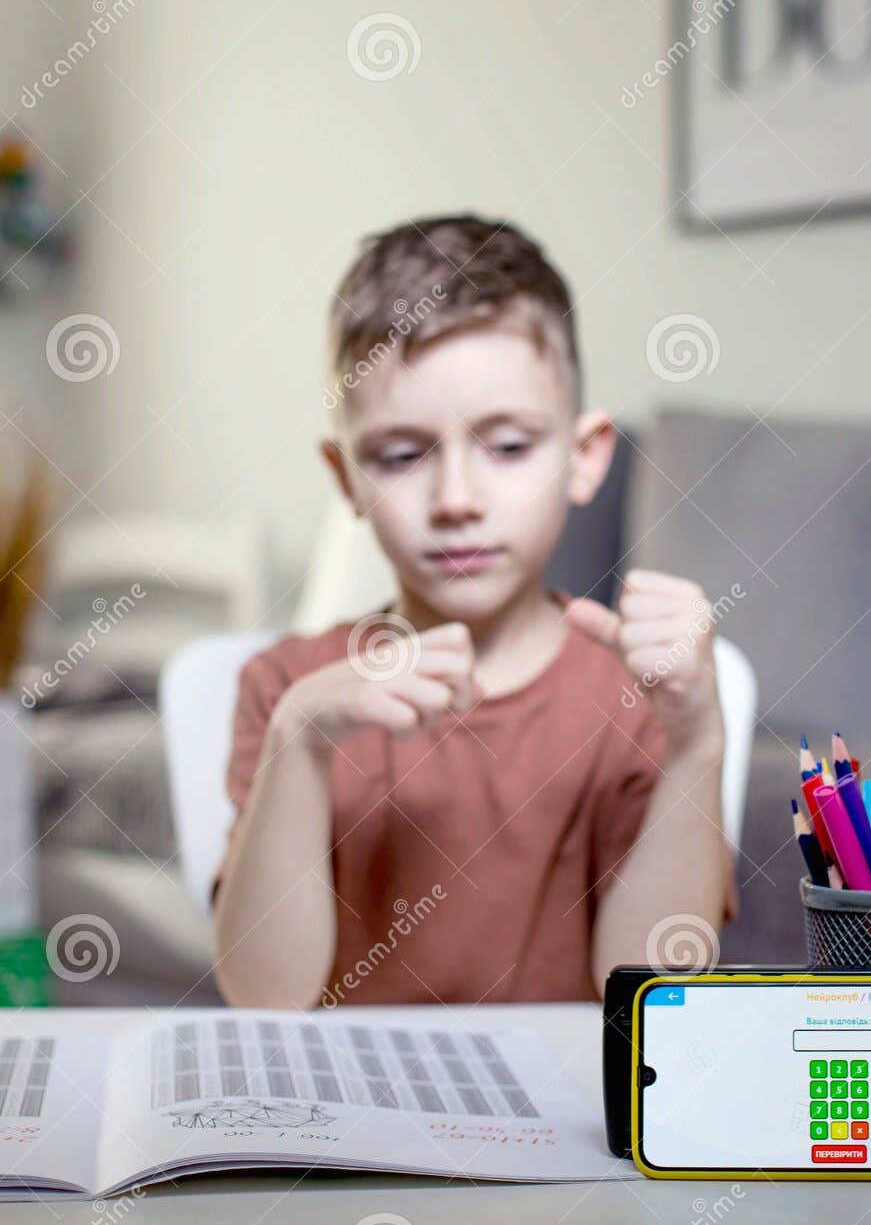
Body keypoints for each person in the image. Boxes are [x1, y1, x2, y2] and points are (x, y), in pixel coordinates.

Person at [212, 214, 732, 1009]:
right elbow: (264, 994)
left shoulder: (637, 695)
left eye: (508, 446)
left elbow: (656, 990)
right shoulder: (288, 688)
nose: (456, 499)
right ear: (346, 478)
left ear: (584, 457)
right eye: (400, 455)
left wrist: (696, 745)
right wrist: (299, 739)